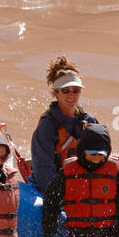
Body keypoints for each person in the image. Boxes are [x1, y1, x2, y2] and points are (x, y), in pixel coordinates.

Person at [30, 56, 99, 193]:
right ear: (56, 93)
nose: (71, 95)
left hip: (81, 186)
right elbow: (44, 173)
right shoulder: (47, 127)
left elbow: (101, 158)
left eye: (76, 90)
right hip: (55, 189)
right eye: (65, 90)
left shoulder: (90, 122)